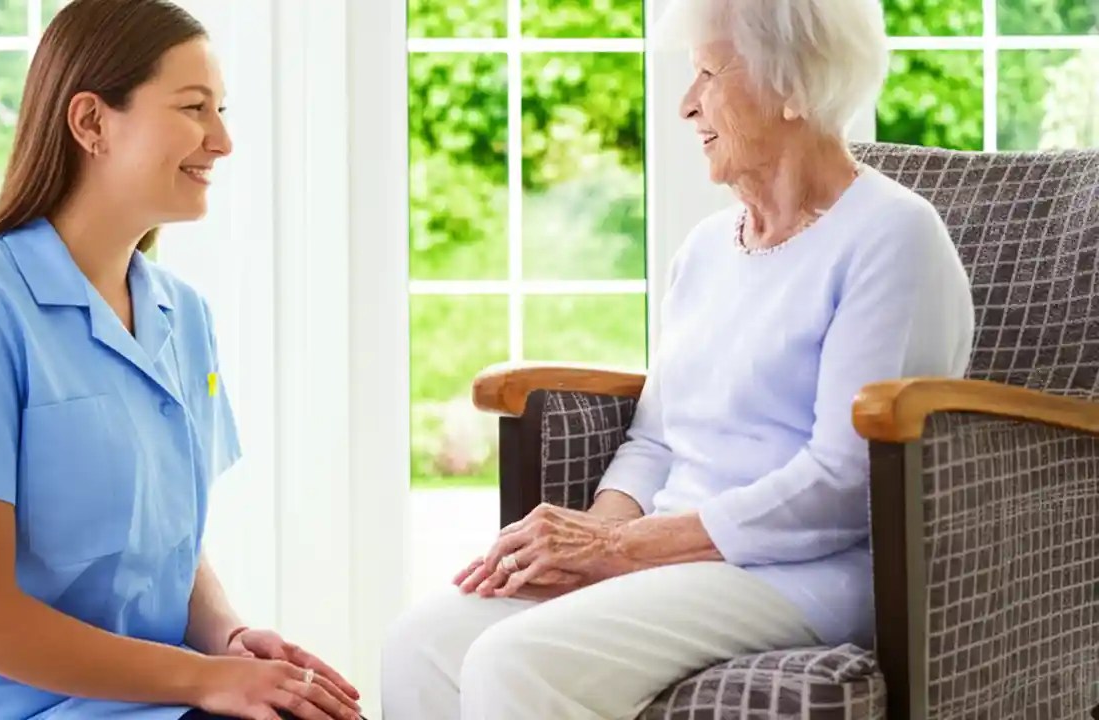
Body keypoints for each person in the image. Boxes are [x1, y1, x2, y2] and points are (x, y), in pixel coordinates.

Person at [381, 0, 976, 718]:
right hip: (670, 553)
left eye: (705, 73)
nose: (686, 106)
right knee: (421, 641)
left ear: (792, 85)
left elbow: (845, 481)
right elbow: (655, 439)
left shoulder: (892, 236)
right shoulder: (705, 249)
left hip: (800, 571)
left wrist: (629, 548)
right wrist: (597, 534)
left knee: (520, 661)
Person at [0, 2, 363, 719]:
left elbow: (166, 546)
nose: (221, 140)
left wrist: (228, 640)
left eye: (220, 109)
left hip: (141, 694)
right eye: (195, 108)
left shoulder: (180, 313)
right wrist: (203, 680)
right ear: (92, 123)